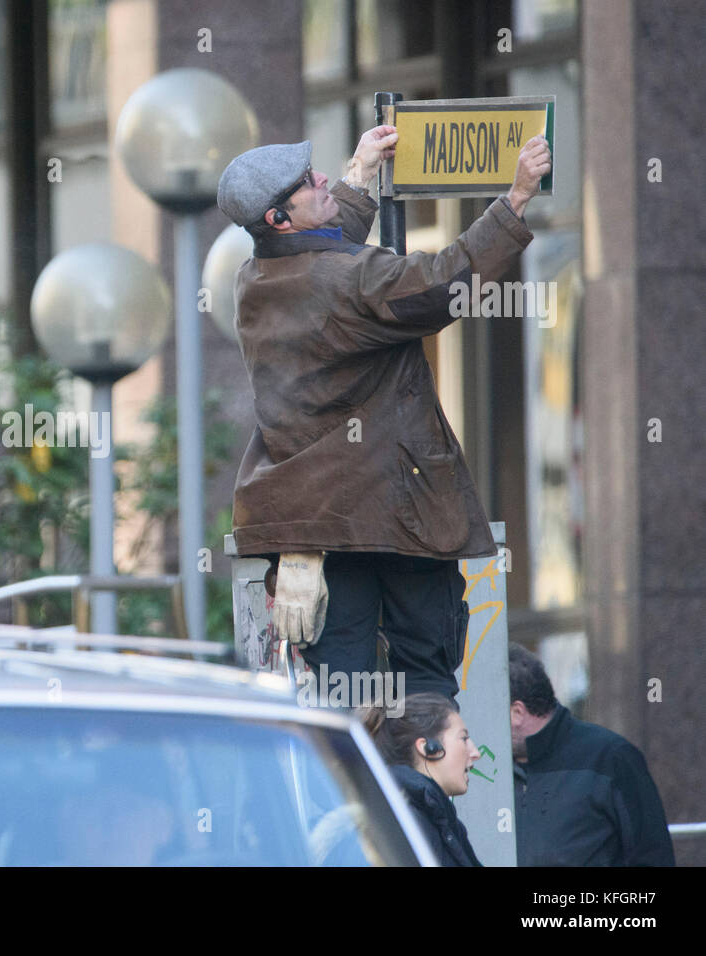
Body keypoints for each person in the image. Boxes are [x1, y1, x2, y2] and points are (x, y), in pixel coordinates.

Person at [216, 124, 552, 704]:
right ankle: (421, 792)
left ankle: (360, 792)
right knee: (425, 684)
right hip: (398, 515)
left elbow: (323, 254)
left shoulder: (256, 278)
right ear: (279, 218)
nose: (318, 178)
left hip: (317, 529)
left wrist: (359, 173)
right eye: (305, 182)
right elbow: (441, 283)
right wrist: (515, 198)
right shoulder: (345, 281)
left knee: (341, 701)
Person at [508, 643, 674, 866]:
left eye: (487, 713)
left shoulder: (612, 758)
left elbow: (653, 858)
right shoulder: (485, 768)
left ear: (517, 713)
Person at [361, 692, 482, 866]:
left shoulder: (434, 818)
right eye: (464, 738)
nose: (475, 753)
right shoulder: (407, 826)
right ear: (428, 748)